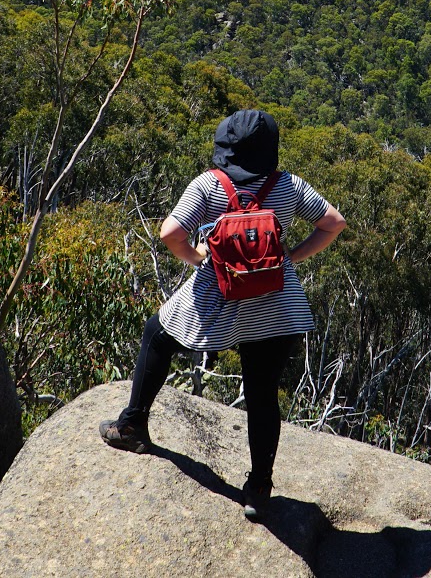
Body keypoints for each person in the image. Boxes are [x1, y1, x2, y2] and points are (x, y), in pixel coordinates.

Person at [98, 108, 347, 520]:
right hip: (275, 303)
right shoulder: (288, 186)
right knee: (263, 395)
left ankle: (132, 426)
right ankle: (259, 488)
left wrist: (198, 259)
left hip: (216, 298)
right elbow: (334, 223)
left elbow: (170, 234)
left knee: (156, 335)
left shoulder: (209, 186)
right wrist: (292, 256)